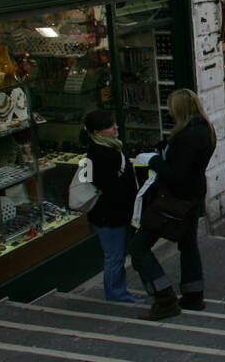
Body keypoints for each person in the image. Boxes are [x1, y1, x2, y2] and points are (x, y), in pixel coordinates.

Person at [127, 89, 216, 320]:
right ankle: (193, 294)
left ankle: (164, 297)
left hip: (174, 201)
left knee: (138, 247)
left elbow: (176, 175)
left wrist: (153, 160)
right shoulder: (205, 129)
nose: (168, 110)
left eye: (170, 106)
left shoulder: (186, 135)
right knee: (188, 245)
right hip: (193, 197)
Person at [81, 110, 142, 303]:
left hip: (110, 214)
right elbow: (110, 189)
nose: (116, 128)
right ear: (98, 132)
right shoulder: (102, 154)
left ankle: (117, 292)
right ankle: (116, 295)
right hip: (110, 216)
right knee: (114, 257)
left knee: (115, 255)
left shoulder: (105, 148)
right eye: (110, 126)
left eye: (114, 123)